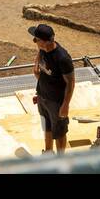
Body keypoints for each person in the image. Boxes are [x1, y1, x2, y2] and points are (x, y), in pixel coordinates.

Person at [30, 23, 75, 153]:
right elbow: (40, 53)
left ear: (44, 41)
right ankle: (48, 153)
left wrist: (65, 105)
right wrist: (36, 67)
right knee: (47, 126)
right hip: (42, 95)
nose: (34, 42)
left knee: (59, 132)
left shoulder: (62, 58)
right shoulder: (44, 48)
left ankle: (60, 160)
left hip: (56, 101)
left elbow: (71, 83)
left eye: (35, 40)